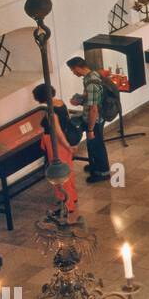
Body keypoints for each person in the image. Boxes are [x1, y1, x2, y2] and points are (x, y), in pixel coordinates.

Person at [31, 83, 79, 223]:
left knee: (59, 174)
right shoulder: (61, 103)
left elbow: (57, 131)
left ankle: (67, 204)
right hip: (63, 142)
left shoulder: (50, 111)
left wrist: (68, 146)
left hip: (56, 144)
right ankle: (72, 198)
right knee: (68, 170)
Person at [66, 56, 110, 184]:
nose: (74, 73)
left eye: (73, 70)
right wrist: (79, 99)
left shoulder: (91, 83)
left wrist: (90, 129)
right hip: (92, 117)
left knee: (97, 145)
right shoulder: (91, 76)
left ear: (78, 67)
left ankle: (103, 172)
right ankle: (94, 165)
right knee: (92, 144)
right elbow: (88, 98)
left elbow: (94, 109)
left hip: (95, 120)